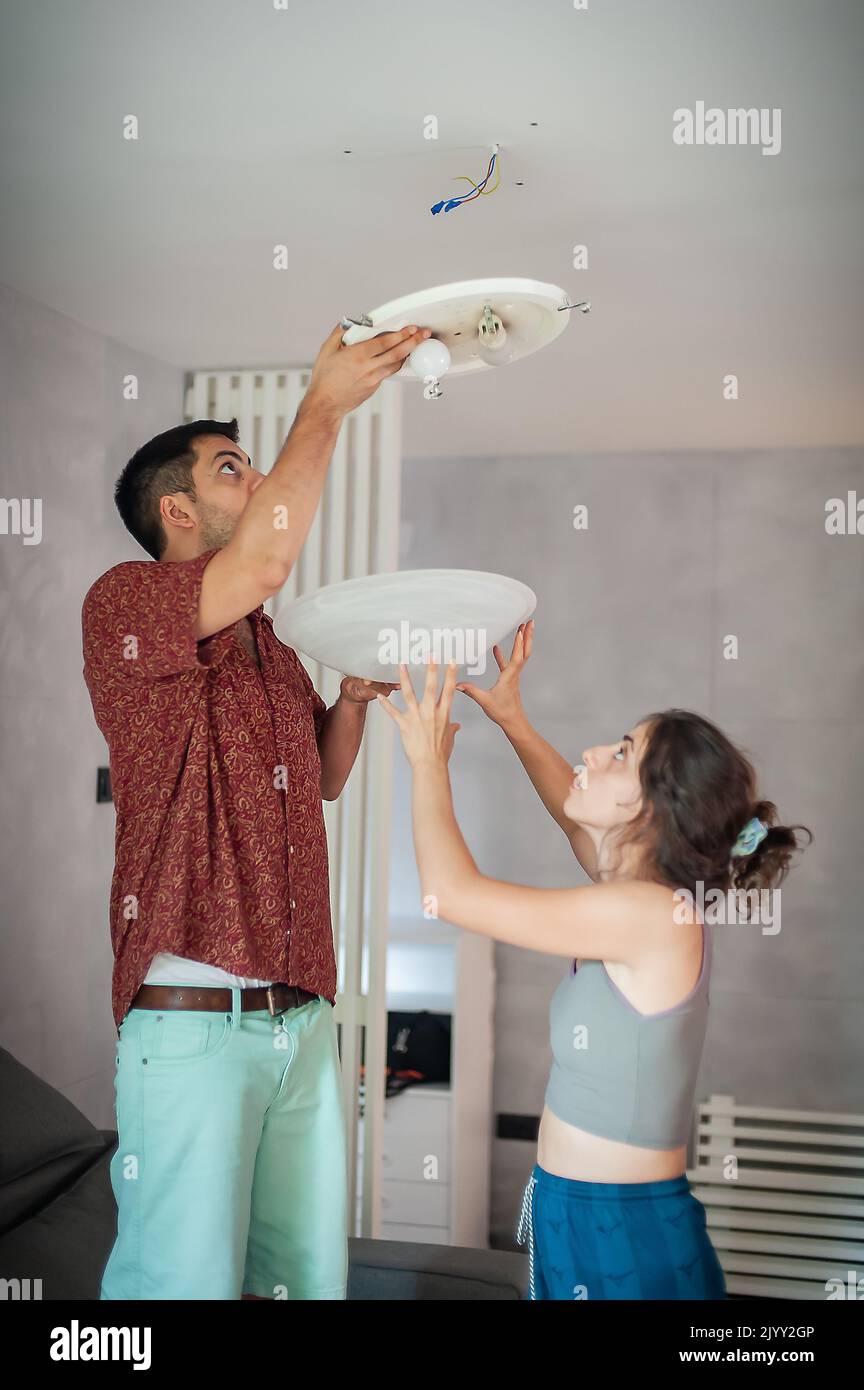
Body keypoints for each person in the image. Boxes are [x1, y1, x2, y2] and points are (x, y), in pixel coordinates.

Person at [81, 320, 432, 1300]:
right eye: (234, 467)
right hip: (191, 1024)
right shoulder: (127, 602)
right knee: (178, 1289)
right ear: (178, 510)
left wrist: (354, 703)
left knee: (304, 1284)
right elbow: (267, 563)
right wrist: (324, 405)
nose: (260, 482)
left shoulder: (269, 648)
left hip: (302, 1026)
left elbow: (321, 778)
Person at [376, 623, 811, 1300]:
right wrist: (515, 721)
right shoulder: (638, 897)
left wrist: (428, 761)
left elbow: (448, 895)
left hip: (620, 1226)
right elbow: (573, 817)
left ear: (651, 806)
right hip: (580, 1210)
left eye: (620, 753)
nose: (592, 752)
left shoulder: (648, 916)